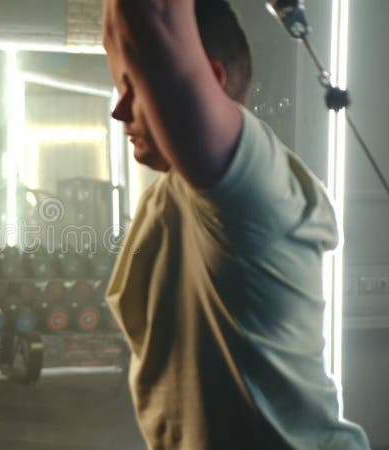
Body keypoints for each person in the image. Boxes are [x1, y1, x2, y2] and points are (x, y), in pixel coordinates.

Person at [102, 0, 370, 448]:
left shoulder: (252, 190)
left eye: (134, 89)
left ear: (212, 80)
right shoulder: (165, 199)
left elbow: (146, 18)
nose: (120, 112)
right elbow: (127, 28)